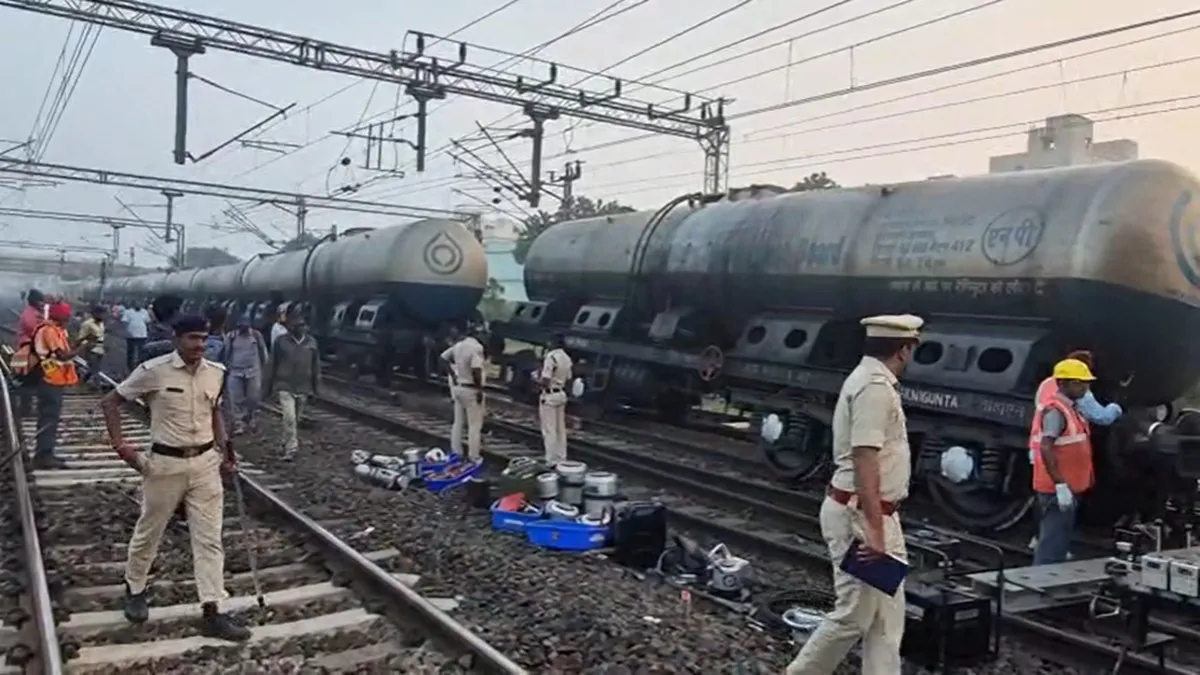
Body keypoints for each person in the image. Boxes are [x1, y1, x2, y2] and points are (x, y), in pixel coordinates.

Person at [786, 314, 924, 675]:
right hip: (862, 515)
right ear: (905, 349)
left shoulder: (869, 379)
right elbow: (865, 457)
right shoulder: (875, 387)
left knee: (885, 619)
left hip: (871, 512)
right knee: (855, 615)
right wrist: (876, 531)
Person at [99, 314, 248, 641]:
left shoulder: (216, 374)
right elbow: (111, 402)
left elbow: (215, 413)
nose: (200, 345)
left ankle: (213, 610)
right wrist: (121, 447)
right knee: (149, 530)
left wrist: (227, 452)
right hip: (164, 465)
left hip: (206, 463)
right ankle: (135, 588)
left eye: (204, 338)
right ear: (176, 338)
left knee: (210, 538)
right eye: (193, 338)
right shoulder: (153, 372)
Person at [1030, 358, 1097, 566]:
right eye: (1079, 382)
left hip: (1069, 486)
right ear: (1062, 384)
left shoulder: (1072, 408)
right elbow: (1046, 446)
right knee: (1052, 539)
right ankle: (1041, 581)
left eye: (1086, 382)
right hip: (1057, 488)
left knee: (1059, 537)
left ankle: (1048, 575)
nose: (1085, 387)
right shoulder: (1056, 411)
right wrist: (1059, 484)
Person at [15, 302, 90, 469]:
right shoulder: (49, 331)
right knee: (49, 416)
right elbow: (63, 356)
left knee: (51, 416)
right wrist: (83, 348)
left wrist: (78, 344)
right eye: (67, 314)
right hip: (49, 378)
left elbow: (64, 353)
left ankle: (47, 453)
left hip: (54, 378)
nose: (70, 316)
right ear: (60, 316)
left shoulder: (56, 330)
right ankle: (43, 456)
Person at [263, 313, 321, 460]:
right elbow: (272, 364)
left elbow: (316, 368)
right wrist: (267, 388)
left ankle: (284, 442)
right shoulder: (281, 342)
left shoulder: (311, 343)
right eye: (296, 325)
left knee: (295, 419)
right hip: (284, 385)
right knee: (289, 418)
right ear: (289, 327)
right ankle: (291, 449)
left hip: (303, 387)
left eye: (302, 325)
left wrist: (316, 390)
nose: (300, 328)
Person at [440, 325, 487, 461]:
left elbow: (442, 358)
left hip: (459, 387)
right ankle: (474, 456)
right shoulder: (477, 348)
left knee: (458, 422)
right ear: (477, 334)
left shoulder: (458, 346)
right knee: (474, 425)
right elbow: (476, 370)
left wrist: (453, 375)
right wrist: (479, 390)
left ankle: (456, 451)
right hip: (471, 389)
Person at [222, 315, 268, 434]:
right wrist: (225, 368)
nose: (244, 329)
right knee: (235, 399)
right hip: (235, 371)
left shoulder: (256, 336)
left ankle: (250, 418)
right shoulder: (231, 337)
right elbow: (226, 353)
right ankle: (239, 423)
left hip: (253, 371)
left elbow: (263, 352)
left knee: (253, 398)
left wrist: (265, 368)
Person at [537, 334, 573, 463]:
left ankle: (551, 459)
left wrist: (537, 380)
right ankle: (561, 457)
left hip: (549, 395)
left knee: (549, 429)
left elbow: (546, 379)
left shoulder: (551, 357)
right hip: (561, 394)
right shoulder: (566, 358)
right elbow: (569, 378)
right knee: (560, 429)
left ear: (553, 343)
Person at [14, 289, 45, 418]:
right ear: (34, 301)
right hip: (27, 351)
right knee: (27, 380)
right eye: (40, 301)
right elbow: (33, 329)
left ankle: (27, 409)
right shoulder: (29, 314)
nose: (42, 303)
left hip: (32, 351)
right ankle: (25, 410)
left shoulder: (34, 312)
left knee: (32, 380)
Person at [78, 305, 107, 383]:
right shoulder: (87, 324)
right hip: (91, 349)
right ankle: (97, 385)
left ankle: (83, 380)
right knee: (95, 368)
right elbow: (81, 337)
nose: (102, 315)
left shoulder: (101, 323)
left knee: (94, 368)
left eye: (103, 314)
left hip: (100, 348)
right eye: (100, 313)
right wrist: (86, 346)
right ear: (94, 314)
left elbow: (101, 335)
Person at [121, 302, 152, 373]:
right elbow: (124, 323)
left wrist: (148, 331)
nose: (139, 305)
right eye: (137, 303)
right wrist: (126, 332)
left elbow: (147, 323)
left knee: (142, 352)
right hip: (131, 335)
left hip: (142, 335)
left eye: (140, 303)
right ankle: (130, 368)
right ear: (134, 304)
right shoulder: (128, 312)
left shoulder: (145, 312)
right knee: (131, 352)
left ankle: (140, 367)